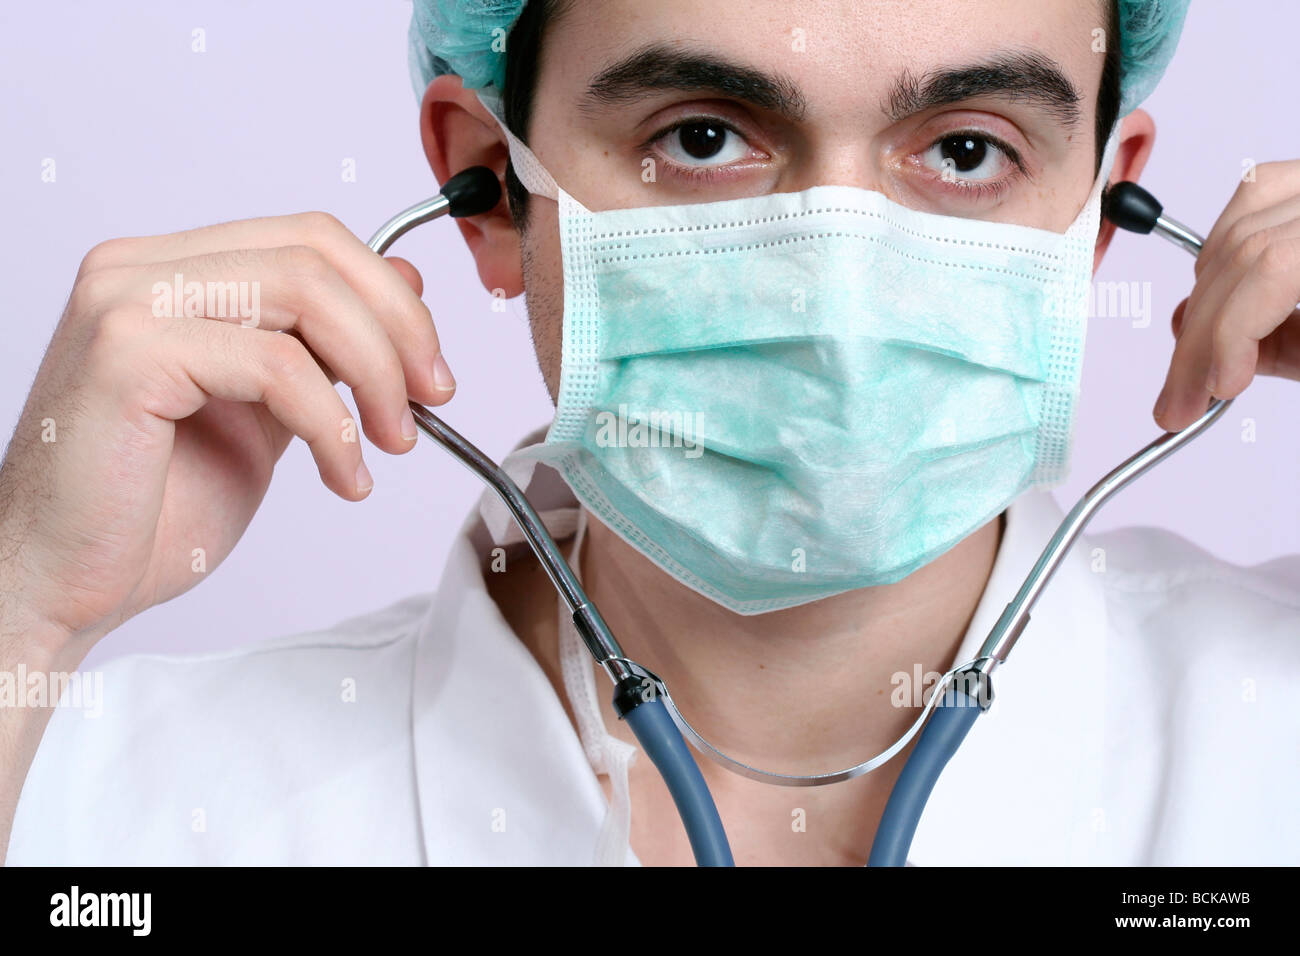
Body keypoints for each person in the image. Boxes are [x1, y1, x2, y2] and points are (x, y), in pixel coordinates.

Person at [1, 0, 1297, 867]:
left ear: (1102, 212)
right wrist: (24, 608)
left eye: (966, 151)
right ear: (490, 188)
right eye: (704, 136)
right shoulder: (109, 797)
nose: (836, 296)